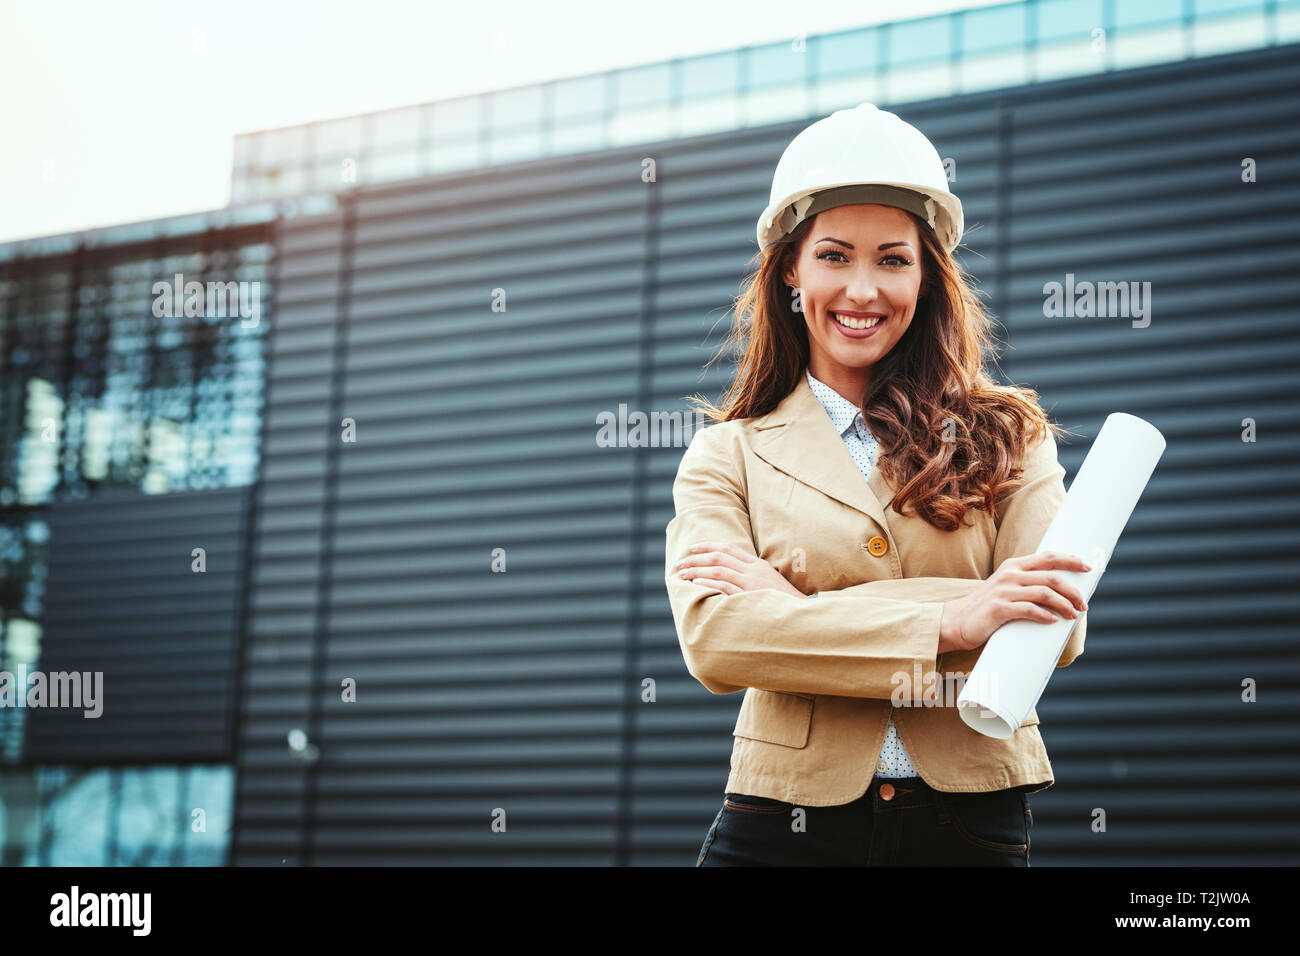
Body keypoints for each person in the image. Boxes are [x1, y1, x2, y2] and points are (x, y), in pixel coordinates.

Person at [663, 104, 1090, 867]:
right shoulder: (725, 454)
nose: (863, 289)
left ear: (927, 277)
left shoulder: (1013, 435)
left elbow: (1050, 627)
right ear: (791, 269)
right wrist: (956, 620)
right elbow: (718, 641)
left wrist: (795, 613)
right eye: (834, 255)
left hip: (969, 825)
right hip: (781, 820)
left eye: (893, 259)